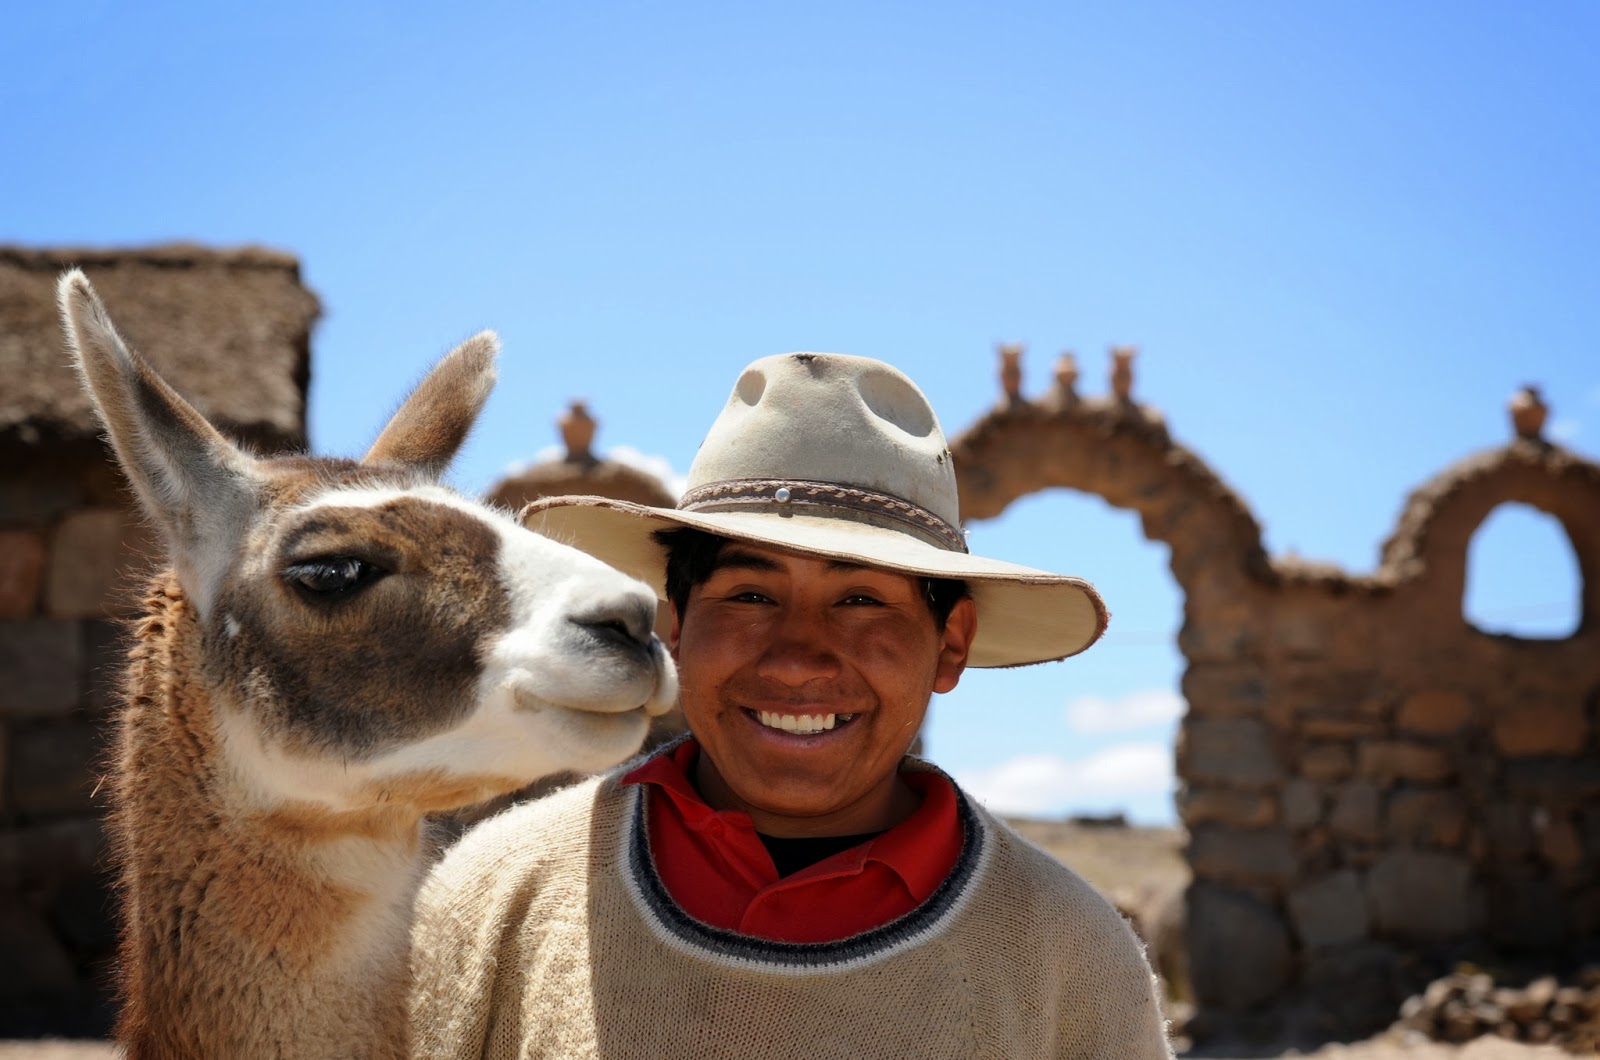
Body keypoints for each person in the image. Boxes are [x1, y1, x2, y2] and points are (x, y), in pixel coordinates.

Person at [410, 352, 1173, 1059]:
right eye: (750, 594)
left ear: (949, 645)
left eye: (862, 600)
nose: (798, 655)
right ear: (674, 621)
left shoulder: (1069, 955)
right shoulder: (492, 901)